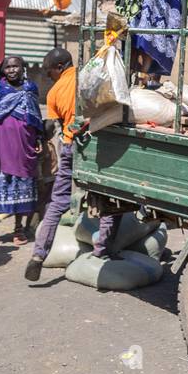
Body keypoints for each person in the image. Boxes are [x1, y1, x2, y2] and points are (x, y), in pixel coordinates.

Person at [25, 48, 117, 282]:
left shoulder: (54, 92)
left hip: (69, 145)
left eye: (49, 71)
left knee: (57, 202)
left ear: (59, 67)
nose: (48, 76)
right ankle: (101, 250)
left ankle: (38, 255)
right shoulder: (89, 77)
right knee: (109, 199)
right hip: (96, 146)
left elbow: (59, 123)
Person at [0, 56, 43, 246]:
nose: (12, 70)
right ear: (2, 71)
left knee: (21, 188)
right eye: (8, 67)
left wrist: (37, 138)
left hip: (23, 146)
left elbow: (35, 116)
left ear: (23, 68)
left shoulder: (31, 89)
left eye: (16, 66)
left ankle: (18, 229)